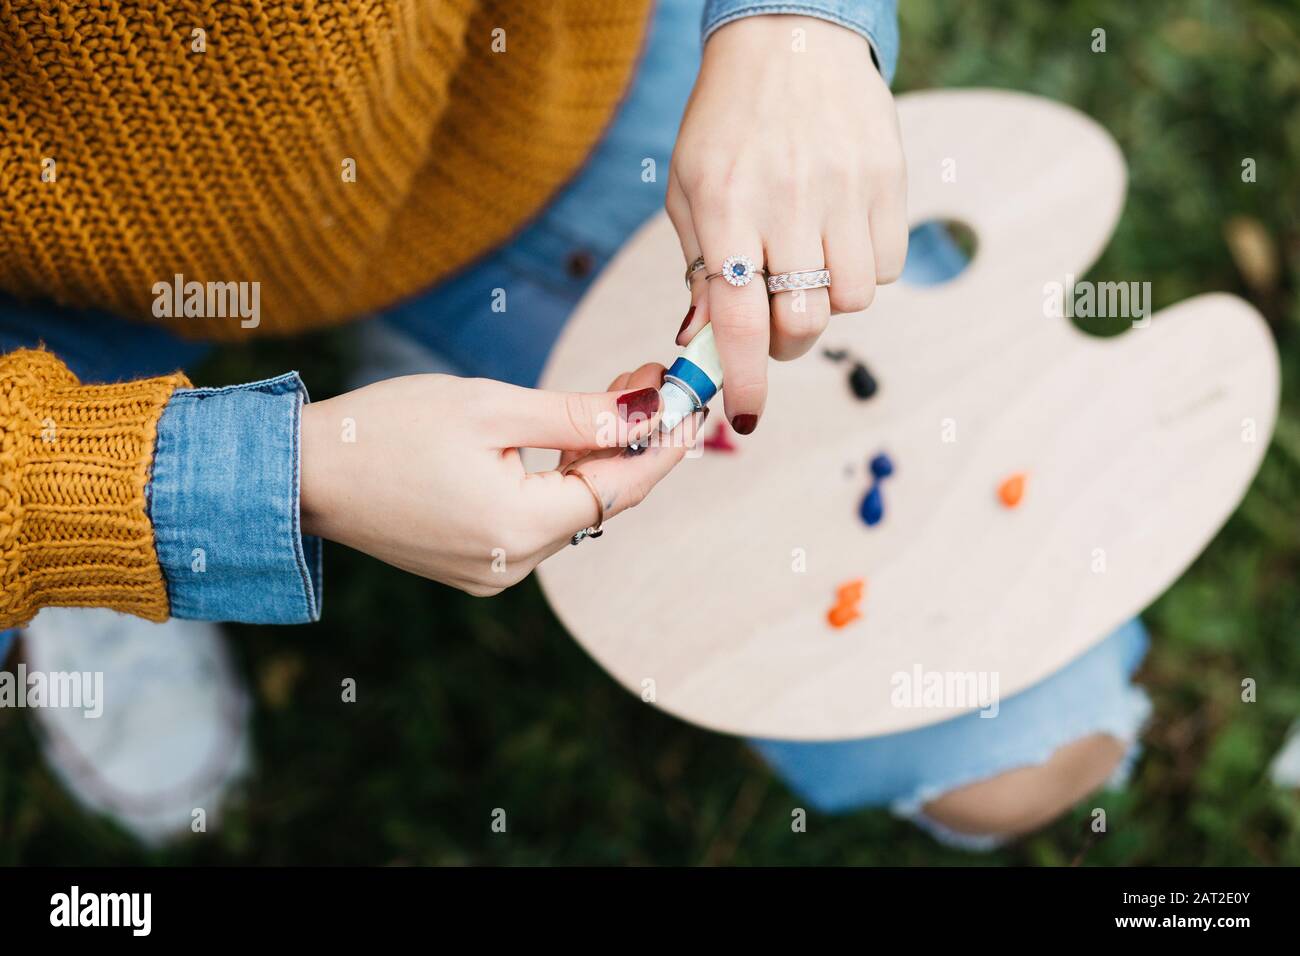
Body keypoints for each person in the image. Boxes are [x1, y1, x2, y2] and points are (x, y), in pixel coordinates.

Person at [0, 0, 1147, 850]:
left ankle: (440, 345)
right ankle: (103, 549)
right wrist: (191, 484)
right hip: (55, 289)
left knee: (1021, 742)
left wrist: (795, 29)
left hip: (524, 111)